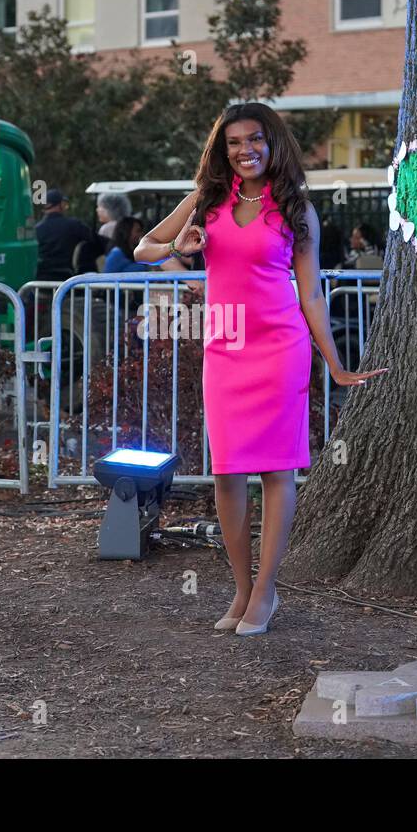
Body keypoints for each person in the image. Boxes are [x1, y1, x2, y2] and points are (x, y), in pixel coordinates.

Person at [134, 102, 387, 636]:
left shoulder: (295, 208)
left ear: (272, 144)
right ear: (222, 150)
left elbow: (312, 294)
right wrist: (177, 247)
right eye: (233, 143)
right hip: (224, 345)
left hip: (280, 347)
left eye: (254, 140)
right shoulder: (205, 200)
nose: (244, 150)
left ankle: (266, 592)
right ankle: (242, 590)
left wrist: (337, 367)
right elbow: (142, 248)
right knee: (227, 472)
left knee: (276, 470)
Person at [34, 187, 93, 281]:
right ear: (60, 205)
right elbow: (92, 240)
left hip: (41, 281)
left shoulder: (36, 229)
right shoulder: (74, 225)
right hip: (67, 280)